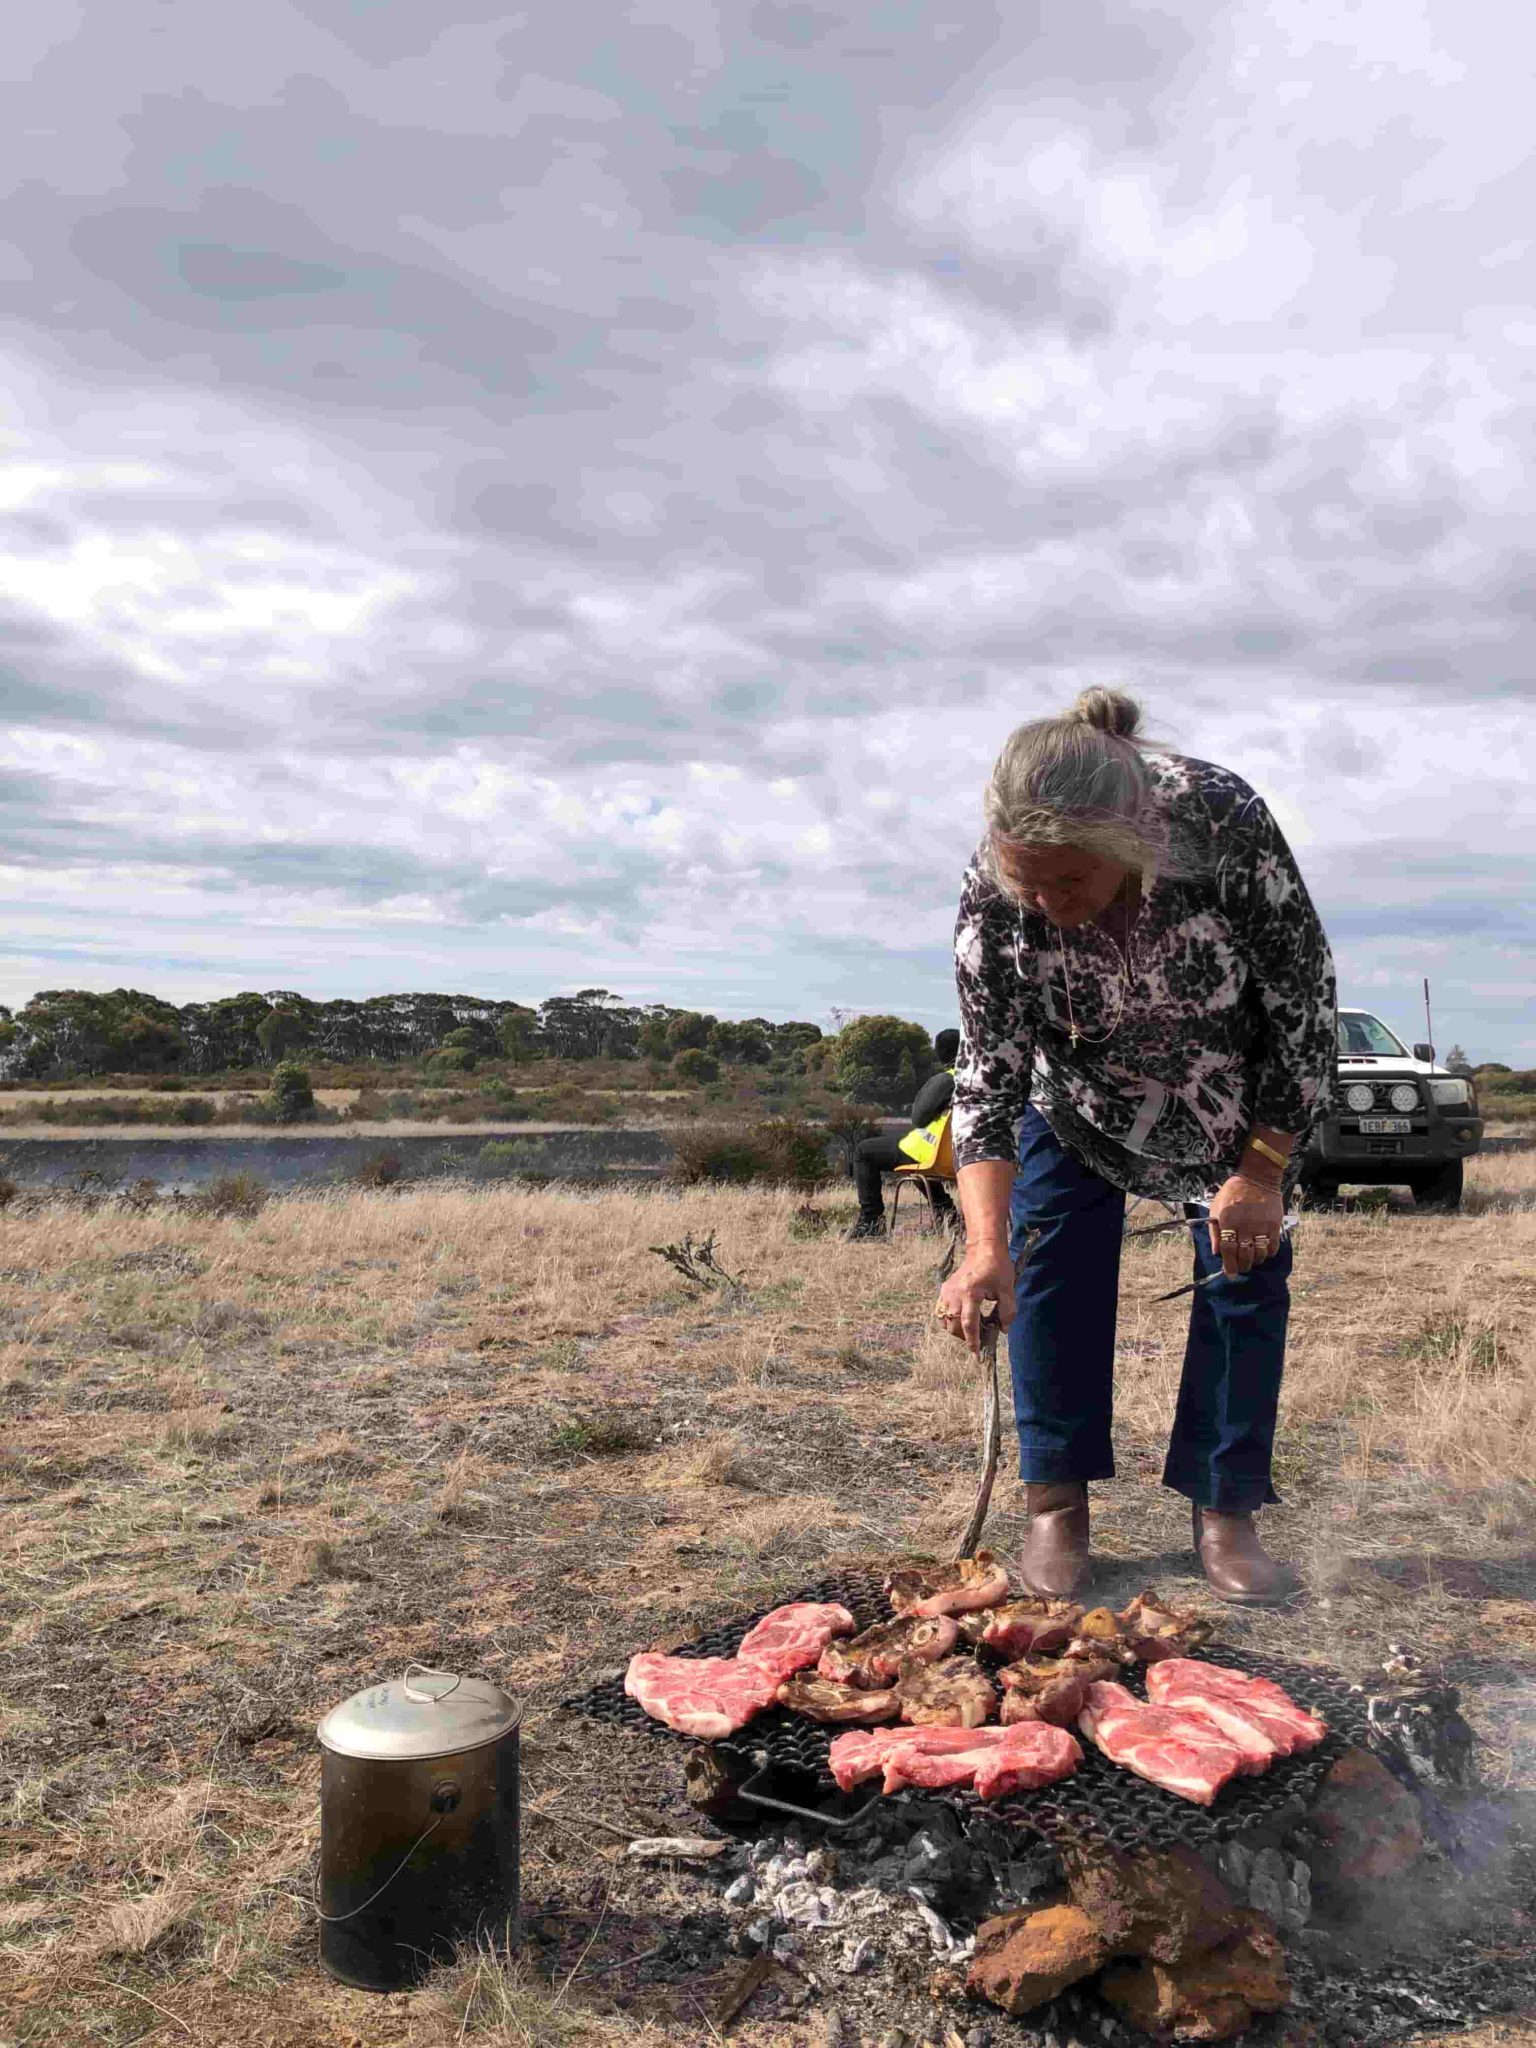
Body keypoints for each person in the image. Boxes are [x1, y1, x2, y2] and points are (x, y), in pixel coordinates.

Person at [936, 689, 1334, 1606]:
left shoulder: (1221, 823)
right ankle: (1055, 1505)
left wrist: (1261, 1171)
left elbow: (1305, 1006)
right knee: (1045, 1269)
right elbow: (988, 1074)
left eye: (1066, 882)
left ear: (1131, 849)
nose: (1042, 900)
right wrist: (983, 1247)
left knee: (1244, 1278)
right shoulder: (997, 893)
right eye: (1023, 879)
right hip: (1075, 1098)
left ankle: (1225, 1507)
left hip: (1228, 1097)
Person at [847, 1029, 961, 1240]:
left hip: (930, 1153)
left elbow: (918, 1117)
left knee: (864, 1152)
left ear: (942, 1054)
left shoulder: (948, 1080)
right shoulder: (985, 1081)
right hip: (965, 1158)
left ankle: (871, 1222)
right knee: (923, 1163)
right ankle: (947, 1216)